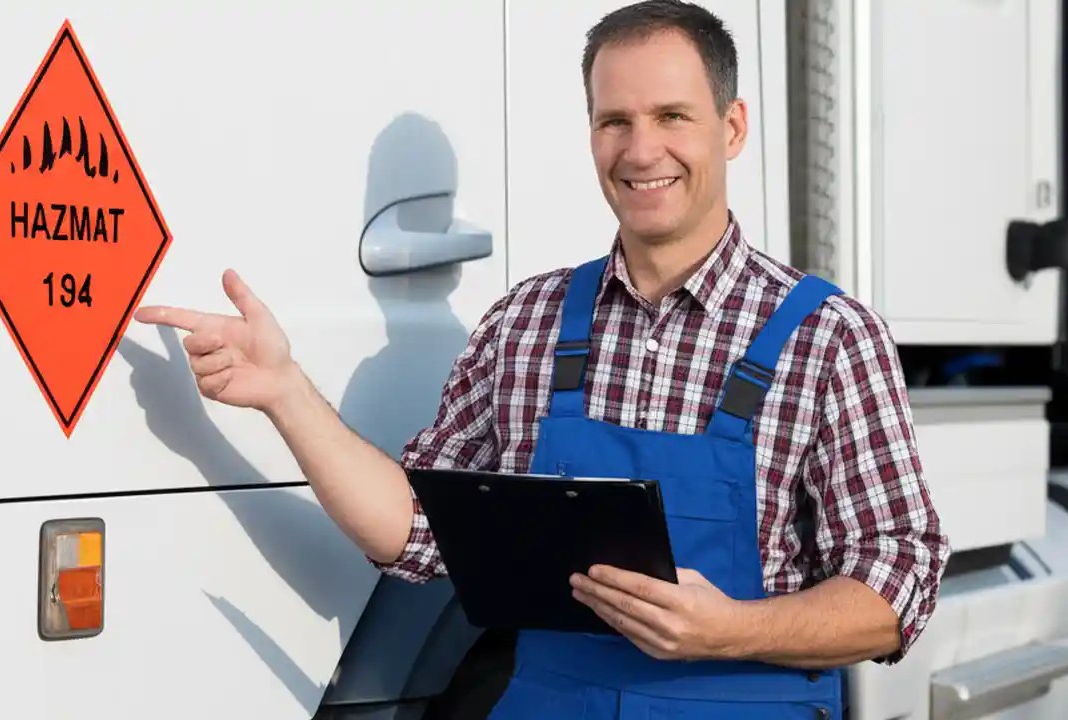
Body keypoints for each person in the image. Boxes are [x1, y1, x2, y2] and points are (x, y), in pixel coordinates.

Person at [134, 1, 950, 717]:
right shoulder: (528, 323)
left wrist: (732, 627)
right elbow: (420, 532)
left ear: (731, 127)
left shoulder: (828, 337)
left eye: (673, 116)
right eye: (614, 121)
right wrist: (285, 393)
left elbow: (898, 587)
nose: (640, 150)